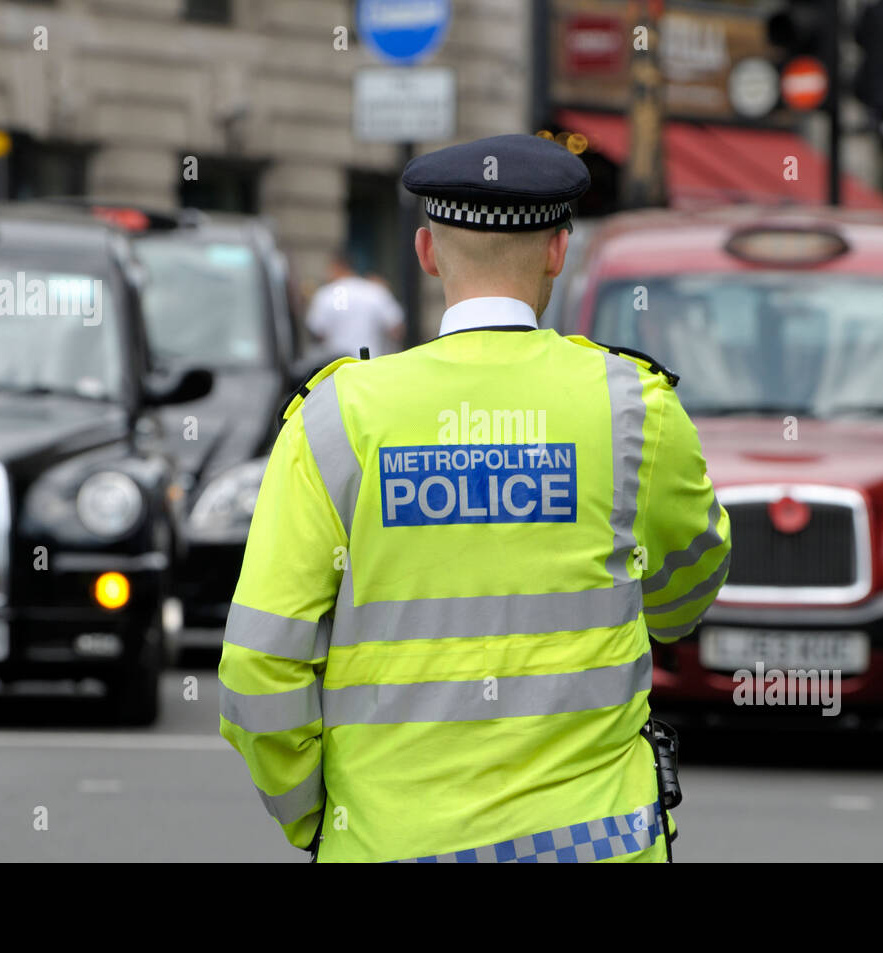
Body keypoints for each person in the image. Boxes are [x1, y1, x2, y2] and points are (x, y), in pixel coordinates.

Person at [219, 133, 731, 863]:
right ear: (559, 251)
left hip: (390, 845)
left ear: (427, 252)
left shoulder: (338, 418)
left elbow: (257, 663)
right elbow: (687, 592)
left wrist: (321, 815)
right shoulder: (633, 409)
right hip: (594, 844)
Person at [304, 246, 404, 359]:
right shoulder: (375, 290)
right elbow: (396, 328)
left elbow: (317, 331)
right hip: (371, 363)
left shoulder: (325, 295)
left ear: (335, 266)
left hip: (337, 366)